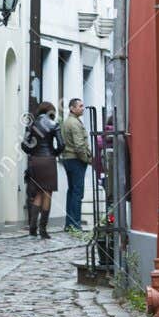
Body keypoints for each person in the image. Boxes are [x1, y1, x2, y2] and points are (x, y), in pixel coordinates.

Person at [21, 102, 60, 238]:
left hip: (35, 161)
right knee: (47, 194)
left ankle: (33, 227)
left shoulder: (31, 125)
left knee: (38, 193)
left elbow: (24, 145)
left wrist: (33, 152)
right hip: (48, 160)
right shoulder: (54, 124)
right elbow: (62, 144)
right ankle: (43, 229)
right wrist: (54, 153)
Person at [59, 98, 92, 232]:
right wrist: (87, 159)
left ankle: (69, 223)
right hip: (76, 160)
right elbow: (79, 146)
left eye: (83, 106)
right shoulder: (74, 123)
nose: (82, 108)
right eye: (80, 106)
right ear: (72, 108)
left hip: (69, 159)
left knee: (72, 191)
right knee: (77, 192)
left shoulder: (69, 121)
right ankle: (75, 224)